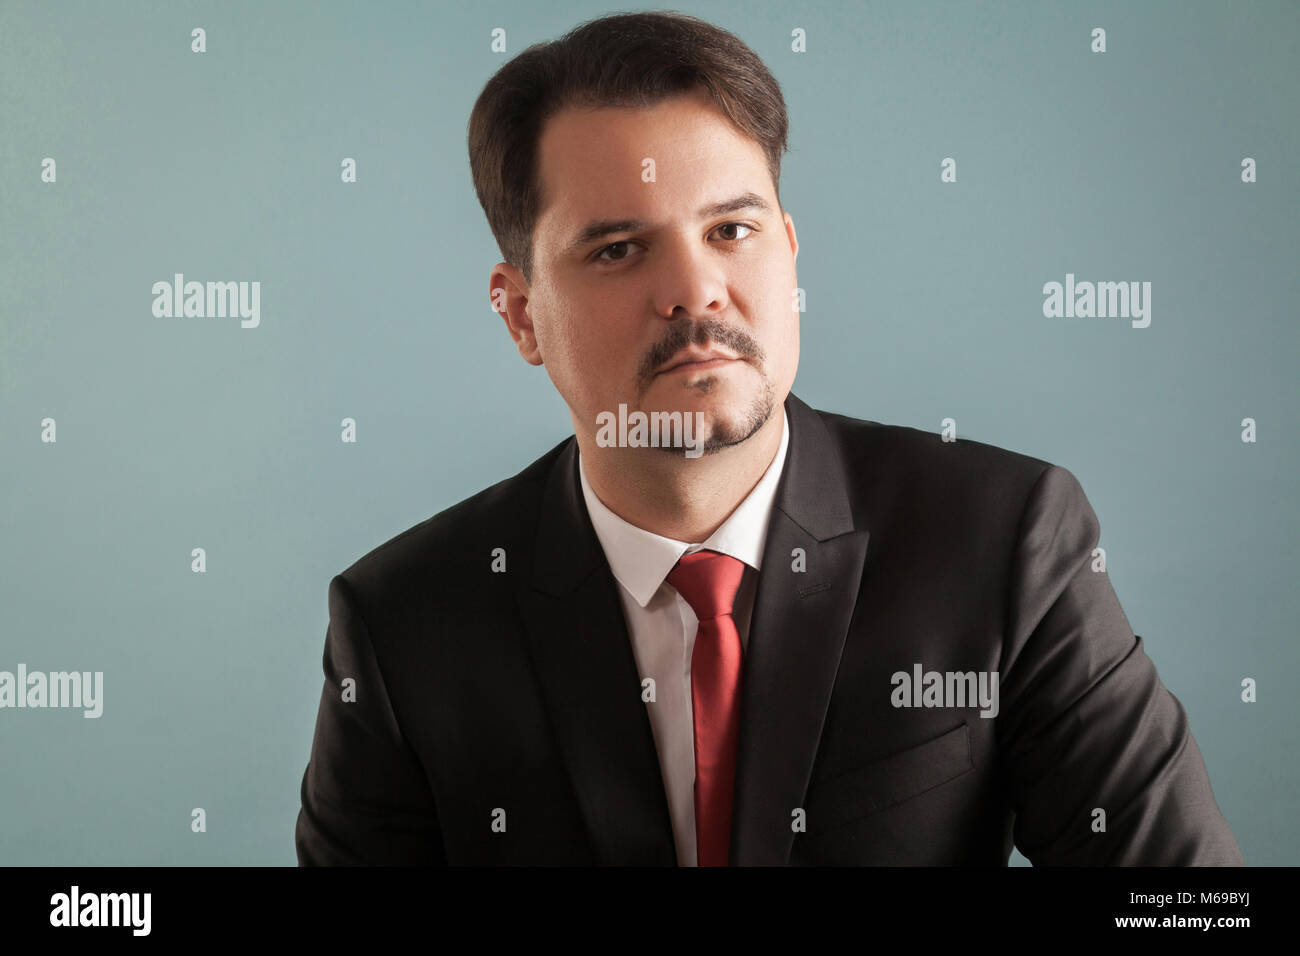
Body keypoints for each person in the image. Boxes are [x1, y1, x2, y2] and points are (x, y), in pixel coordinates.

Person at [294, 10, 1243, 866]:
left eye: (733, 230)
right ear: (521, 316)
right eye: (619, 249)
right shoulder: (405, 627)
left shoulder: (1005, 543)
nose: (696, 291)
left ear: (789, 248)